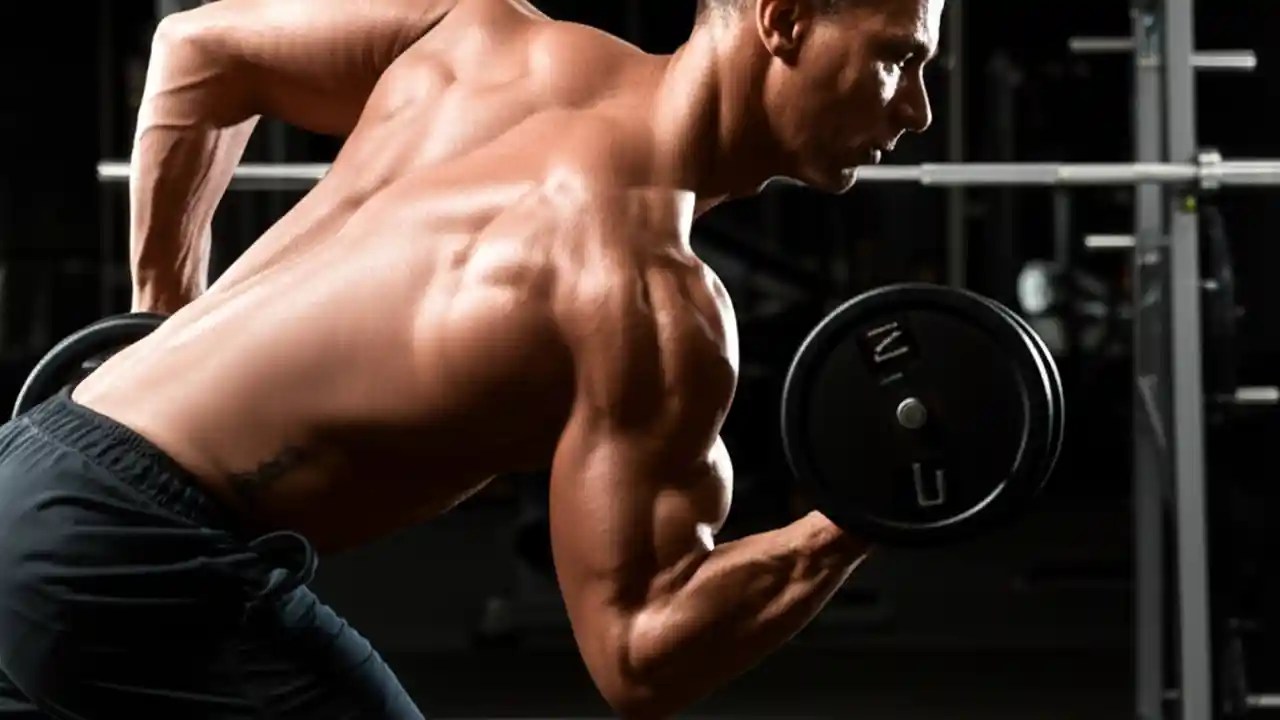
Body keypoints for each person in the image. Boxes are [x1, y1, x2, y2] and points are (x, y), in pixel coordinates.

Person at [0, 0, 940, 716]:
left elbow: (196, 54)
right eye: (897, 57)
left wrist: (158, 317)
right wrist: (855, 517)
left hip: (38, 453)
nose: (922, 109)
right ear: (781, 21)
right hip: (134, 561)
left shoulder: (487, 38)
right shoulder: (646, 298)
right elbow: (641, 656)